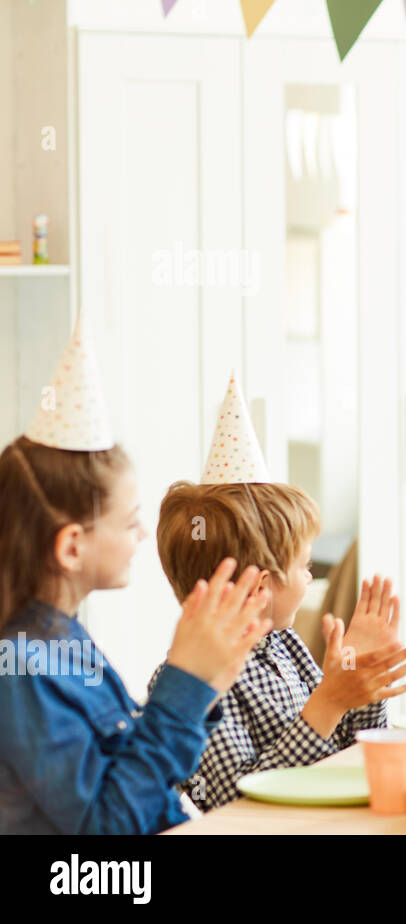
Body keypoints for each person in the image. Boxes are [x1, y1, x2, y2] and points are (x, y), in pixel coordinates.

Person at [0, 323, 268, 833]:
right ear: (72, 545)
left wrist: (205, 685)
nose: (143, 532)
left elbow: (134, 768)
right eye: (129, 521)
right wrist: (183, 684)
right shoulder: (19, 671)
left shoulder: (64, 640)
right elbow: (107, 829)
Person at [150, 374, 406, 811]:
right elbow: (239, 801)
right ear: (260, 587)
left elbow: (347, 752)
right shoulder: (192, 681)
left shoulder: (286, 647)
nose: (310, 578)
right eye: (304, 567)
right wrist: (328, 702)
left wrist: (358, 686)